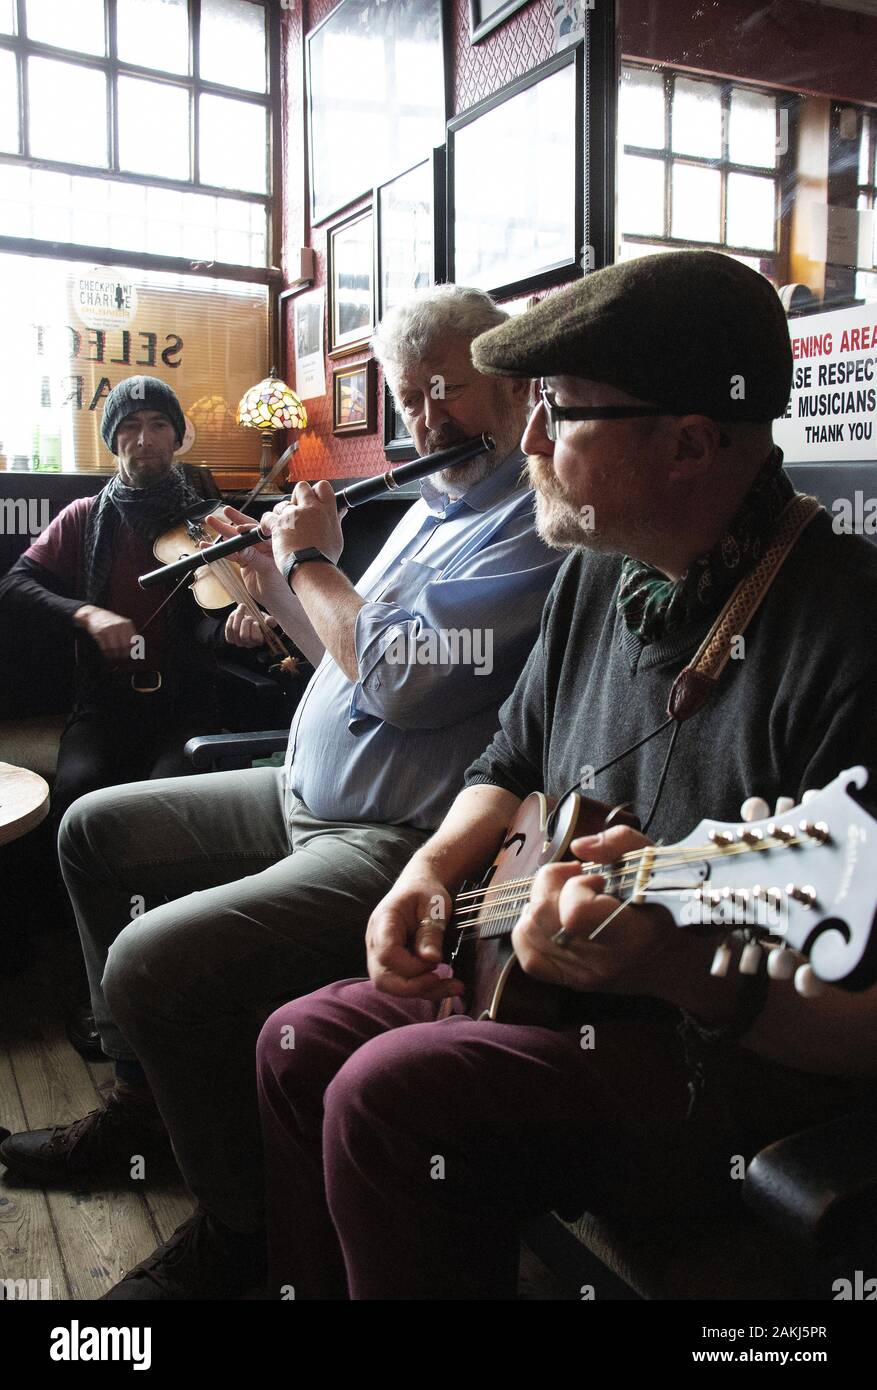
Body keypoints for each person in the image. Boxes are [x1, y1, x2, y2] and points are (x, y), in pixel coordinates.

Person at [254, 250, 877, 1300]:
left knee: (383, 1092)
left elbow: (858, 1029)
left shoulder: (847, 631)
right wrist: (434, 872)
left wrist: (679, 968)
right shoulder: (599, 571)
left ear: (688, 442)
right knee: (295, 1039)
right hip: (540, 986)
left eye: (561, 411)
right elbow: (509, 760)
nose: (528, 438)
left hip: (724, 1067)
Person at [0, 284, 564, 1299]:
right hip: (301, 795)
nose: (427, 421)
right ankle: (145, 1104)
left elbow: (399, 673)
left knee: (146, 961)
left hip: (397, 839)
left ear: (519, 383)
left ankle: (240, 1227)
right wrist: (271, 582)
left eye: (448, 391)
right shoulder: (435, 509)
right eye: (409, 399)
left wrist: (307, 560)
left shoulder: (534, 525)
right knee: (88, 832)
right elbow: (338, 655)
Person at [0, 376, 222, 1015]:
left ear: (177, 438)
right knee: (77, 796)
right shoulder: (82, 518)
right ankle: (90, 961)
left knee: (169, 806)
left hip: (185, 705)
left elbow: (215, 620)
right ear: (111, 442)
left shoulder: (208, 523)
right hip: (104, 704)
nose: (142, 439)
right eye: (128, 427)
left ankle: (168, 962)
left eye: (157, 425)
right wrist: (86, 615)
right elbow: (16, 585)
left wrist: (237, 622)